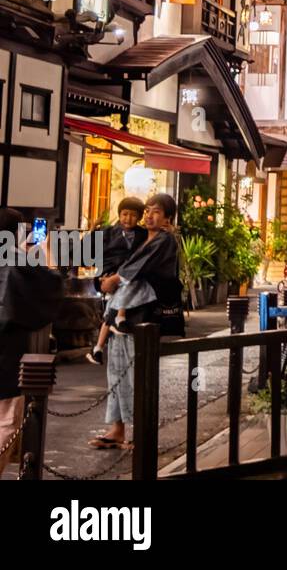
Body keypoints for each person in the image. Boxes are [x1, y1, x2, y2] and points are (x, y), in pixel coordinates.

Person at [89, 193, 181, 451]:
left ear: (167, 218)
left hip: (143, 315)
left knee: (135, 373)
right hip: (124, 311)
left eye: (157, 212)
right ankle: (117, 428)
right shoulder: (143, 237)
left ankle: (142, 432)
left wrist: (114, 281)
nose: (150, 215)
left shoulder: (165, 240)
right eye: (148, 210)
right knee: (115, 371)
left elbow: (138, 268)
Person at [0, 209, 63, 475]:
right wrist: (48, 252)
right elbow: (51, 285)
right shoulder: (18, 260)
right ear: (17, 231)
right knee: (5, 421)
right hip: (6, 350)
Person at [85, 197, 146, 365]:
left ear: (139, 217)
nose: (128, 218)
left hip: (125, 276)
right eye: (124, 214)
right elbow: (87, 252)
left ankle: (98, 348)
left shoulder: (144, 234)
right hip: (108, 273)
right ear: (119, 215)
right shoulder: (107, 232)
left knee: (116, 299)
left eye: (133, 215)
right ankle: (120, 318)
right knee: (125, 284)